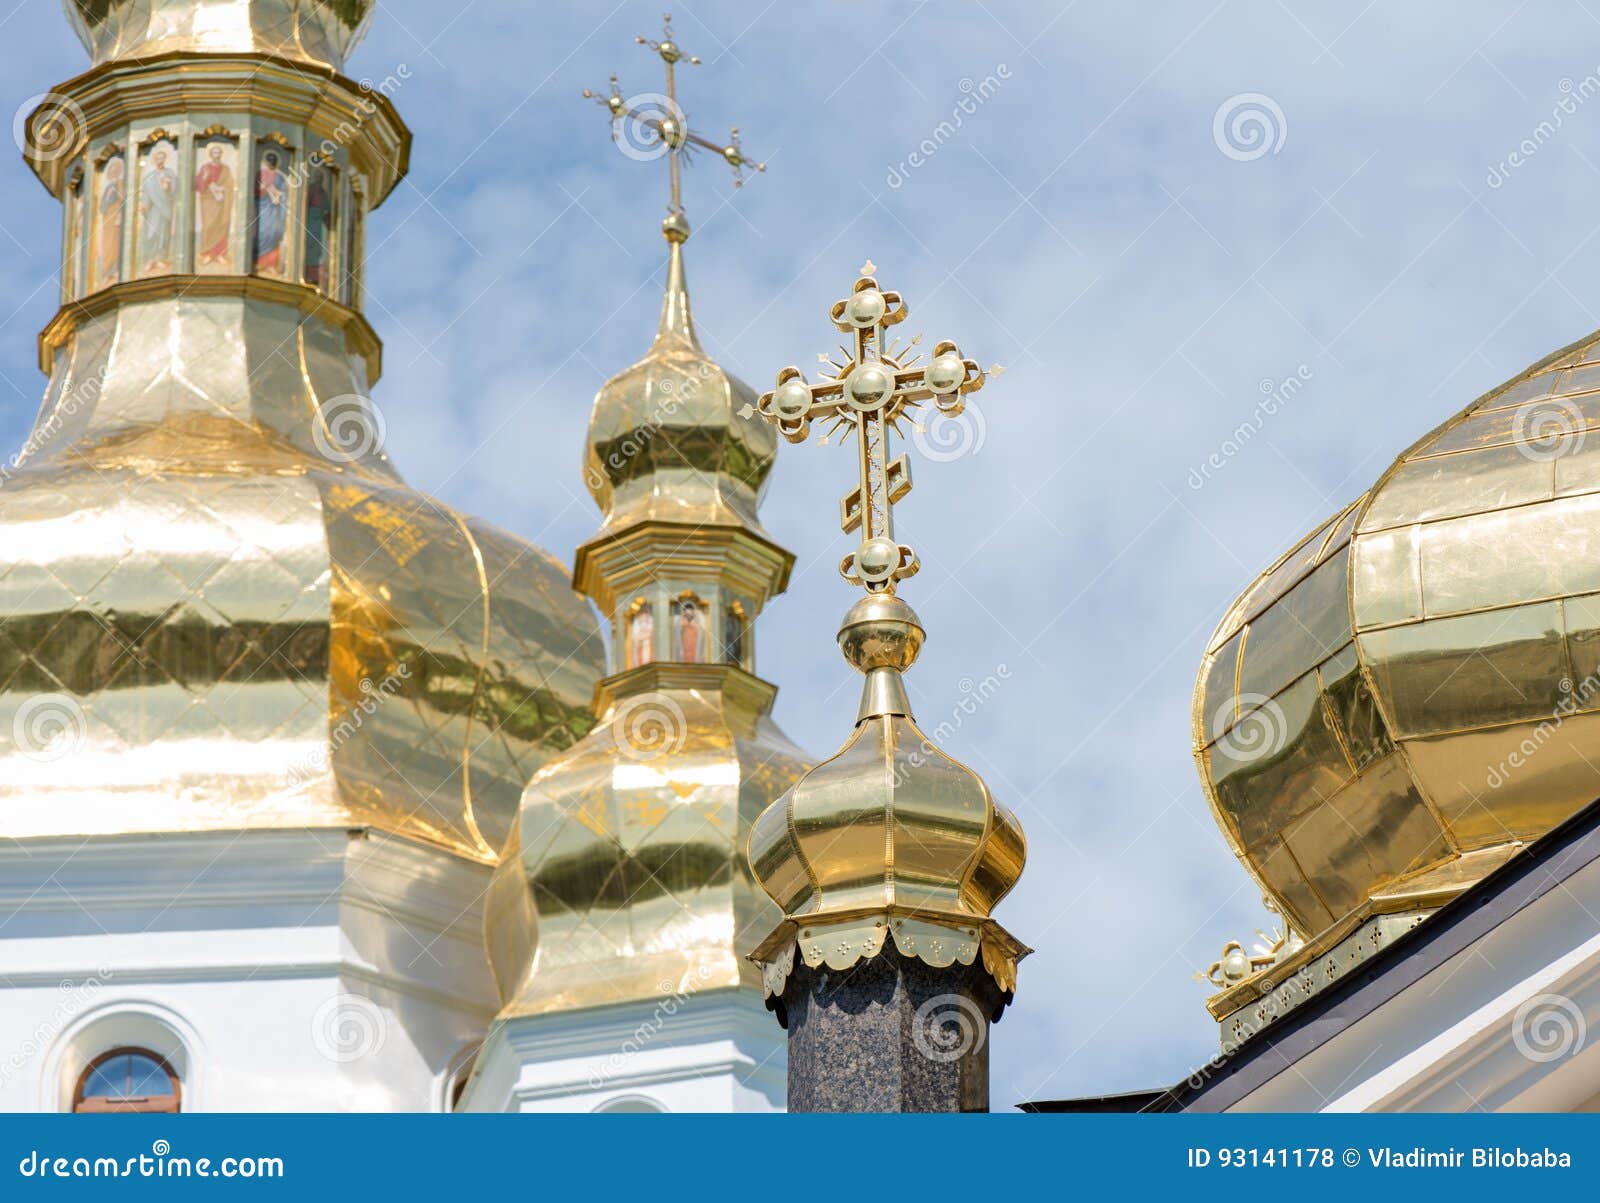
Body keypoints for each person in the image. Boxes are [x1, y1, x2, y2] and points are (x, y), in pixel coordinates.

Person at [194, 142, 234, 268]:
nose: (217, 155)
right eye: (214, 152)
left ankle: (220, 254)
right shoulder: (205, 168)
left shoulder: (226, 169)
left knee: (221, 224)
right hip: (208, 201)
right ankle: (208, 253)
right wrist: (205, 178)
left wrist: (223, 188)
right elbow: (199, 186)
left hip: (222, 201)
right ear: (211, 154)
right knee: (209, 225)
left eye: (219, 152)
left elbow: (230, 185)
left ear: (221, 154)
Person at [137, 146, 176, 273]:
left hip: (165, 208)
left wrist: (168, 185)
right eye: (158, 158)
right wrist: (144, 205)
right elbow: (146, 194)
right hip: (153, 210)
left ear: (165, 159)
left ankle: (160, 258)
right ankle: (149, 259)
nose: (160, 160)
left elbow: (175, 192)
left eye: (162, 158)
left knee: (164, 234)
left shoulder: (170, 174)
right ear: (155, 160)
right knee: (151, 233)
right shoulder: (149, 177)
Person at [252, 150, 288, 275]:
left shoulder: (280, 177)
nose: (272, 163)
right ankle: (258, 262)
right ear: (266, 162)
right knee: (262, 232)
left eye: (274, 161)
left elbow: (284, 194)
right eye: (270, 161)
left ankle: (271, 264)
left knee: (275, 234)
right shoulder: (260, 174)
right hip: (262, 208)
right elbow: (255, 191)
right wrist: (264, 190)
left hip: (275, 210)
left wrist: (279, 196)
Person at [95, 154, 123, 288]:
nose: (113, 173)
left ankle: (115, 270)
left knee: (115, 242)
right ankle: (107, 272)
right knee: (107, 244)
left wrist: (119, 215)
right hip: (108, 219)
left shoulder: (121, 184)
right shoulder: (108, 187)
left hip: (116, 216)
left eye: (115, 170)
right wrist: (107, 195)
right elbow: (102, 207)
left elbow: (124, 200)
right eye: (111, 170)